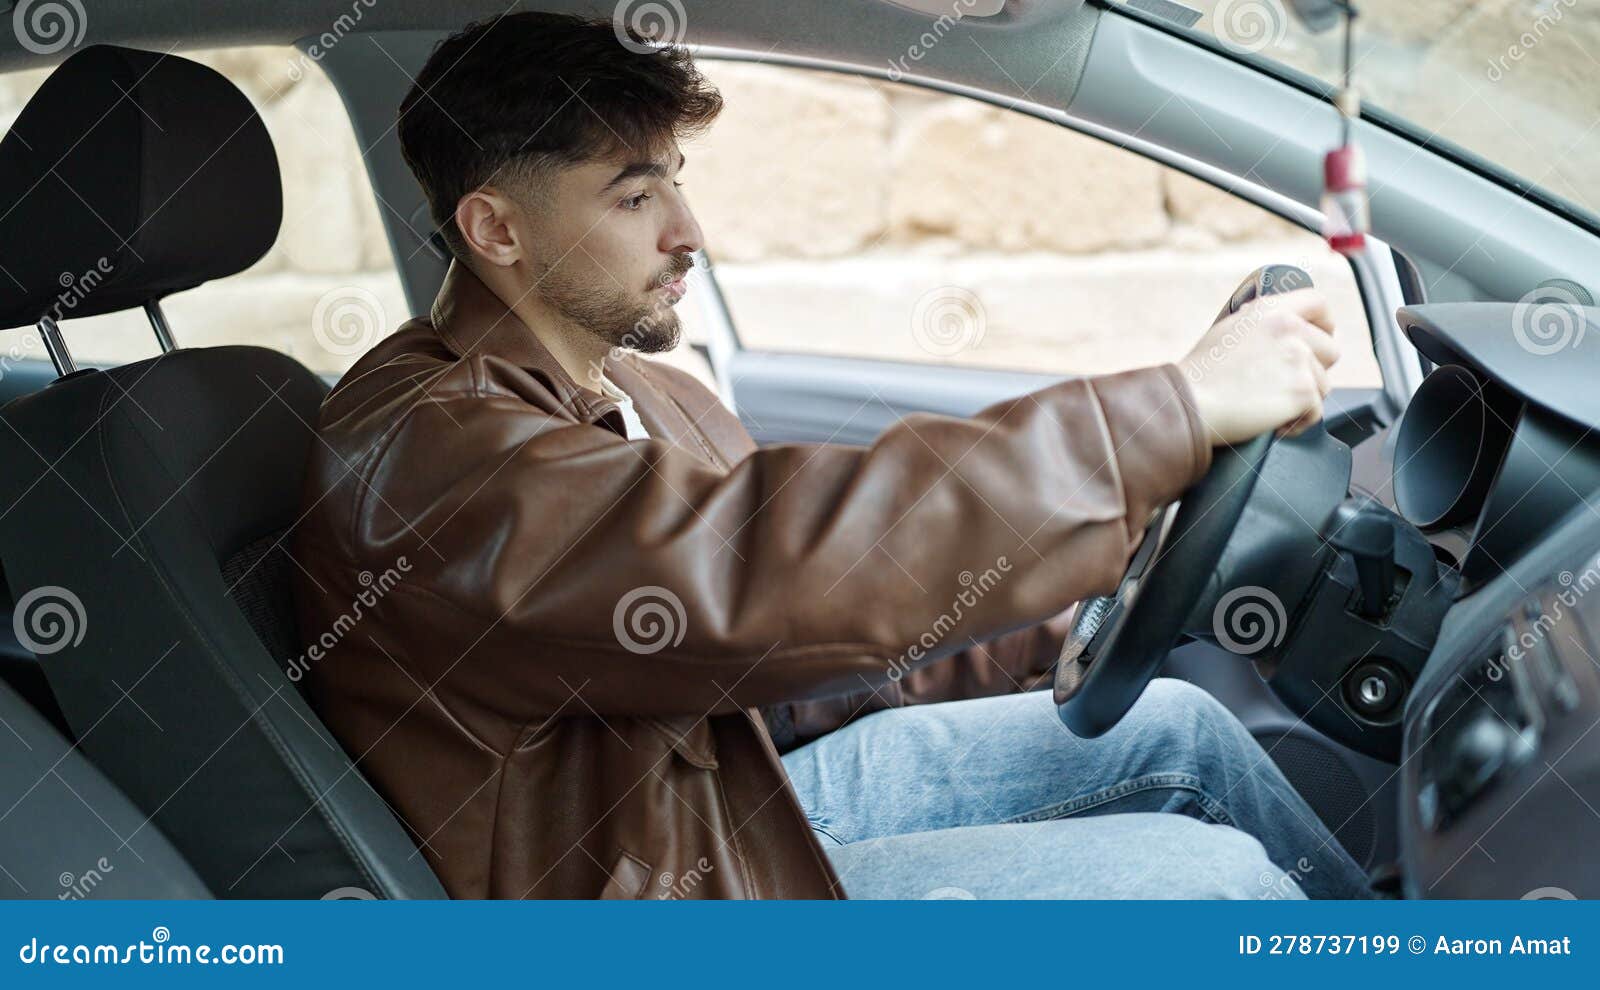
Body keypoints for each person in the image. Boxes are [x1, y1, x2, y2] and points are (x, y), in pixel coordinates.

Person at [291, 11, 1369, 899]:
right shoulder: (428, 452)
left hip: (710, 786)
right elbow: (757, 565)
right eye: (634, 196)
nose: (688, 231)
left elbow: (789, 643)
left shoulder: (634, 389)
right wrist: (1168, 411)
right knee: (1206, 885)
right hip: (647, 894)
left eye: (673, 180)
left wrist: (1063, 614)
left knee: (1177, 727)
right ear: (497, 231)